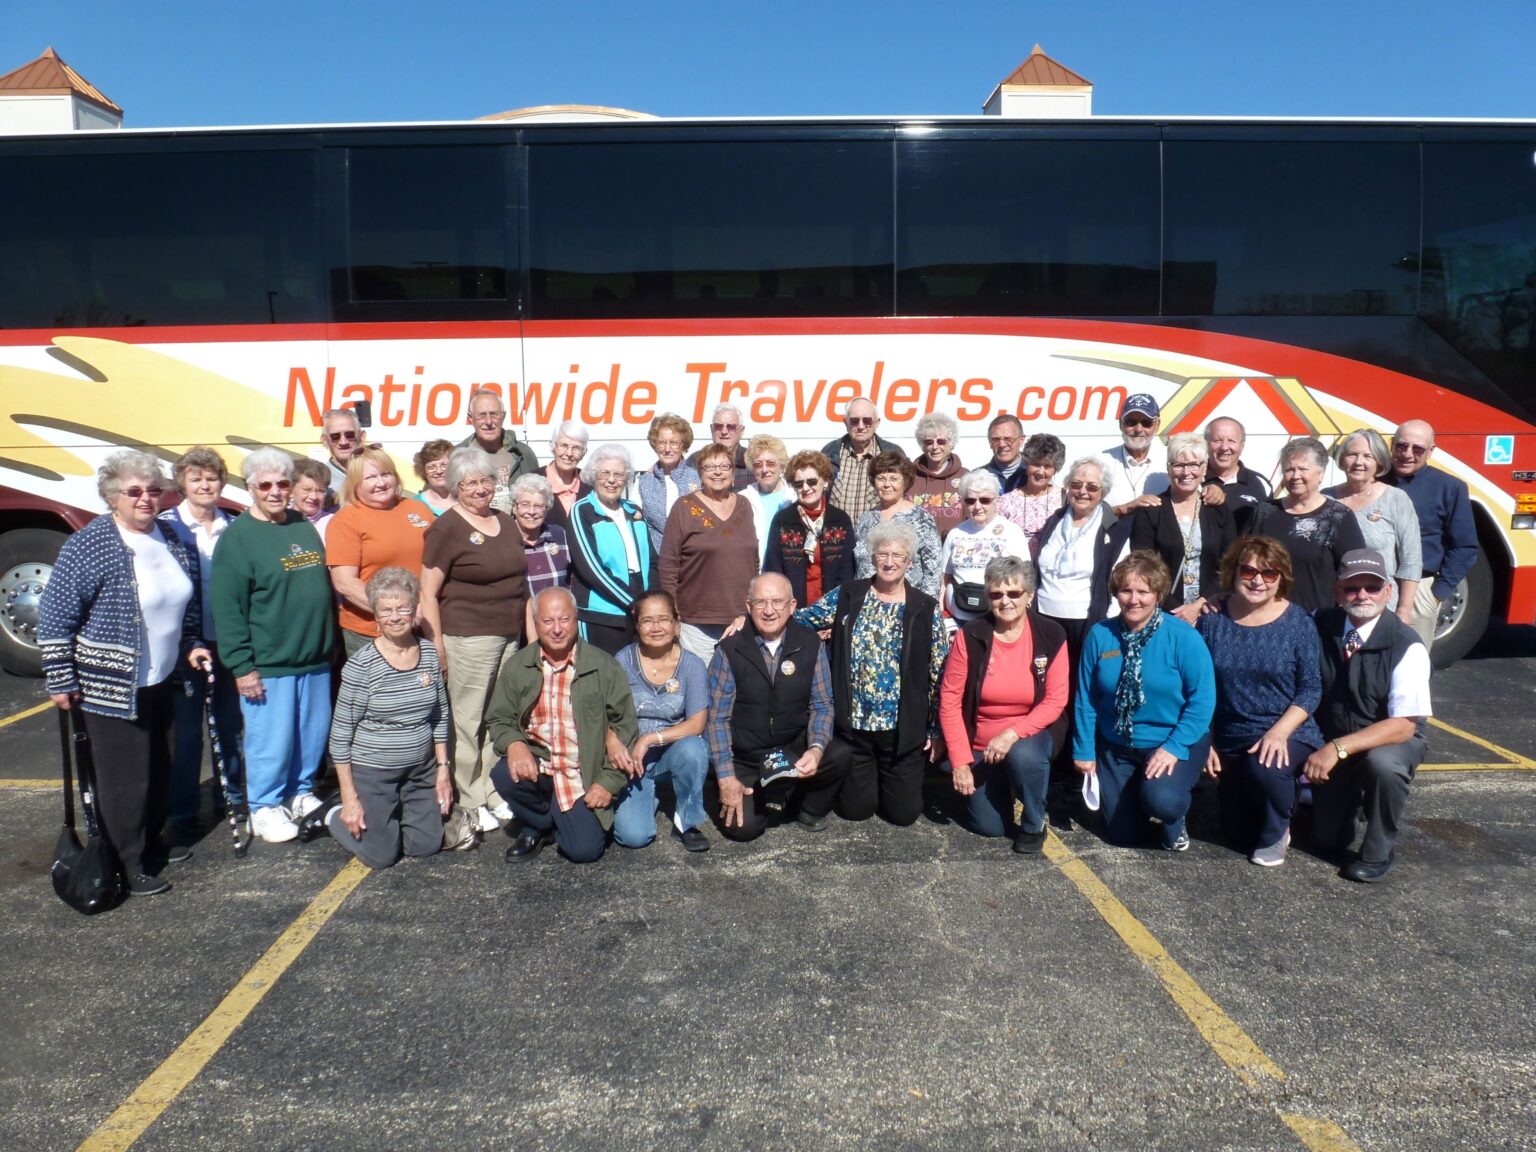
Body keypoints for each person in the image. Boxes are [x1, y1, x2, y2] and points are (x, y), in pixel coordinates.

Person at [40, 450, 210, 896]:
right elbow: (55, 616)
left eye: (154, 490)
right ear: (112, 496)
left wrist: (191, 644)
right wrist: (60, 677)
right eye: (134, 491)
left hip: (163, 678)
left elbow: (186, 603)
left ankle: (150, 844)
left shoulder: (169, 535)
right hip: (112, 684)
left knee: (160, 767)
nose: (145, 499)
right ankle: (126, 862)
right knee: (125, 779)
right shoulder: (91, 544)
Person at [210, 448, 335, 845]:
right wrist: (242, 666)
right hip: (270, 662)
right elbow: (228, 608)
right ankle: (264, 806)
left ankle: (299, 793)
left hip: (313, 657)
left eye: (283, 483)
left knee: (310, 735)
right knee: (271, 740)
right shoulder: (237, 538)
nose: (275, 491)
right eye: (265, 485)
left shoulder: (300, 524)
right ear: (250, 488)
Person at [798, 522, 948, 826]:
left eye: (898, 556)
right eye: (883, 554)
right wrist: (748, 619)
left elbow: (938, 673)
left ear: (909, 562)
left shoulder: (925, 608)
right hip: (855, 729)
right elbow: (803, 619)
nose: (889, 562)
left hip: (902, 732)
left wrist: (935, 729)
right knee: (855, 811)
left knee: (903, 815)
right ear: (873, 557)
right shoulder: (848, 595)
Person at [1072, 551, 1215, 851]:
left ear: (1158, 595)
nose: (1134, 600)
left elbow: (1202, 701)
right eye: (1126, 590)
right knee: (1122, 834)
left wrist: (1173, 747)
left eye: (1143, 592)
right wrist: (1084, 749)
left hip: (1170, 740)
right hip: (1117, 744)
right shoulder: (1100, 635)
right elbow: (1086, 698)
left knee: (1163, 801)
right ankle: (1139, 795)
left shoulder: (1183, 637)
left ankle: (1173, 815)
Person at [1303, 549, 1431, 883]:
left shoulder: (1407, 645)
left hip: (1388, 740)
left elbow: (1403, 726)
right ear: (1337, 592)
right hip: (1335, 737)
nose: (1362, 595)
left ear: (1388, 591)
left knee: (1383, 766)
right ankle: (1349, 804)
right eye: (1352, 588)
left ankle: (1378, 851)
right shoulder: (1318, 622)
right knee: (1326, 841)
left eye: (1372, 588)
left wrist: (1337, 748)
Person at [419, 447, 529, 833]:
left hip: (508, 636)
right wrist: (437, 645)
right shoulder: (446, 528)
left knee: (498, 715)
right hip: (468, 637)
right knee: (467, 720)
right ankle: (469, 798)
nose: (480, 489)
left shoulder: (505, 521)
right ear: (455, 487)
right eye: (469, 484)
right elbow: (428, 591)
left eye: (486, 481)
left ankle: (493, 788)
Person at [487, 587, 639, 864]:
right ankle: (538, 825)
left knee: (583, 851)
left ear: (576, 619)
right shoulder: (518, 666)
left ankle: (555, 818)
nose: (557, 629)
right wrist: (515, 744)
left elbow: (625, 728)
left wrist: (608, 782)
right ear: (536, 624)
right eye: (548, 621)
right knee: (504, 774)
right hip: (540, 765)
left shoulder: (604, 666)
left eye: (564, 619)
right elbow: (499, 718)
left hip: (581, 772)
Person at [1197, 538, 1324, 867]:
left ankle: (1278, 830)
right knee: (1237, 835)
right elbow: (1201, 686)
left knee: (1267, 768)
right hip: (1231, 734)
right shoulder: (1213, 620)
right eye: (1248, 571)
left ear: (1281, 578)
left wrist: (1279, 733)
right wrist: (1206, 739)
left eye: (1269, 573)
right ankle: (1272, 799)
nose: (1258, 580)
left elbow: (1311, 688)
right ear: (1234, 572)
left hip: (1286, 730)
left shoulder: (1298, 623)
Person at [937, 555, 1068, 854]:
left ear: (1029, 595)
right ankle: (999, 783)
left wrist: (1011, 734)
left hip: (1029, 736)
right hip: (981, 744)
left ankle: (1034, 822)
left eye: (1014, 593)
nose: (1005, 601)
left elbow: (1056, 699)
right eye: (996, 594)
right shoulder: (971, 635)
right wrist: (960, 761)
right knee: (990, 827)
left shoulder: (1051, 634)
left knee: (1025, 756)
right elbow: (950, 701)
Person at [325, 569, 452, 869]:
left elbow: (439, 714)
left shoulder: (429, 654)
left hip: (419, 770)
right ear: (376, 615)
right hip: (374, 771)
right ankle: (332, 815)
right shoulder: (361, 667)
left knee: (425, 845)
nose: (395, 617)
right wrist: (350, 798)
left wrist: (443, 770)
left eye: (402, 608)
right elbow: (340, 735)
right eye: (386, 610)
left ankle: (393, 813)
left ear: (414, 611)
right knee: (381, 856)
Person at [705, 573, 846, 841]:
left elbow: (822, 704)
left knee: (840, 754)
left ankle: (802, 806)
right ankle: (755, 794)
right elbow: (716, 719)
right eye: (760, 602)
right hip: (747, 757)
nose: (769, 610)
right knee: (743, 830)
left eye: (777, 602)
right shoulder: (729, 650)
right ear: (748, 607)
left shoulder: (811, 643)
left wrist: (816, 749)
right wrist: (726, 777)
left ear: (792, 606)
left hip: (792, 748)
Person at [158, 447, 242, 843]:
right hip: (185, 645)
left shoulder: (234, 525)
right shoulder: (165, 527)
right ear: (182, 484)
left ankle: (233, 796)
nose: (205, 485)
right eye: (196, 479)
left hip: (228, 640)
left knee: (231, 724)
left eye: (211, 478)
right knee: (187, 733)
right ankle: (182, 811)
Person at [611, 592, 712, 853]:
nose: (656, 627)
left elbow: (697, 723)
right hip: (634, 762)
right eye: (647, 620)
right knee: (633, 837)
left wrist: (650, 739)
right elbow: (607, 715)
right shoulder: (622, 660)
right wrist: (615, 744)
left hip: (672, 752)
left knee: (695, 748)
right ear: (637, 625)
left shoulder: (692, 665)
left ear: (676, 625)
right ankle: (648, 795)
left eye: (664, 619)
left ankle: (686, 822)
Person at [326, 446, 434, 657]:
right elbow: (345, 583)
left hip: (422, 623)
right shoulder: (346, 520)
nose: (381, 483)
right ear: (355, 483)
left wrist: (424, 608)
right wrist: (399, 614)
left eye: (386, 474)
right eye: (371, 477)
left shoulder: (418, 509)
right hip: (370, 632)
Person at [661, 442, 760, 663]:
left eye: (724, 466)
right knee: (700, 680)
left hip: (741, 618)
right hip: (697, 621)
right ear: (700, 473)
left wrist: (752, 606)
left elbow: (753, 559)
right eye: (709, 467)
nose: (717, 472)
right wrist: (672, 614)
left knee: (739, 681)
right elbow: (668, 565)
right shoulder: (684, 507)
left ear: (733, 473)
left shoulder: (744, 505)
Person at [1036, 455, 1134, 675]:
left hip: (1085, 621)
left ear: (1103, 492)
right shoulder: (1054, 521)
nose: (1082, 492)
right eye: (1076, 484)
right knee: (1046, 680)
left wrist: (1110, 624)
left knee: (1081, 679)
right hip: (1044, 617)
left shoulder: (1114, 530)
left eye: (1091, 487)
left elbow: (1119, 580)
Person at [1246, 438, 1368, 613]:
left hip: (1317, 618)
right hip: (1263, 615)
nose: (1295, 476)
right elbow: (1242, 563)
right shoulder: (1264, 512)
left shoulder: (1338, 516)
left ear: (1321, 474)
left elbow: (1356, 573)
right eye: (1289, 469)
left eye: (1303, 469)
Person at [1388, 419, 1478, 652]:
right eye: (1401, 446)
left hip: (1420, 590)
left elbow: (1465, 547)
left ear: (1431, 451)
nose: (1407, 454)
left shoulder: (1450, 488)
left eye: (1417, 449)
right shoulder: (1373, 481)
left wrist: (1436, 594)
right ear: (1392, 444)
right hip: (1373, 587)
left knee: (1411, 664)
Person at [1131, 432, 1237, 624]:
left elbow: (1229, 563)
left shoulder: (1218, 510)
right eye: (1179, 465)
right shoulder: (1151, 511)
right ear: (1168, 468)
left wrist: (1200, 604)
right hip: (1164, 614)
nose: (1186, 472)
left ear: (1204, 468)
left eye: (1194, 465)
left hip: (1211, 611)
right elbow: (1143, 566)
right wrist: (1176, 610)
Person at [1324, 428, 1421, 620]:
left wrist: (1404, 610)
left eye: (1367, 456)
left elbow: (1411, 560)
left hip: (1379, 607)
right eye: (1352, 454)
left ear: (1379, 461)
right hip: (1332, 606)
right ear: (1342, 459)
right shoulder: (1325, 498)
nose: (1358, 462)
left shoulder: (1396, 499)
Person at [567, 444, 655, 655]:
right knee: (603, 673)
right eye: (605, 473)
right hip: (602, 613)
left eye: (618, 474)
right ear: (594, 476)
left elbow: (653, 561)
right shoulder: (582, 511)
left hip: (639, 609)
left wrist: (651, 601)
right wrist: (633, 603)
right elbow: (591, 569)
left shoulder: (633, 510)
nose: (612, 480)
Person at [938, 470, 1031, 629]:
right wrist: (941, 614)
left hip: (997, 620)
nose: (977, 506)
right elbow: (944, 580)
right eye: (970, 501)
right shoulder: (955, 533)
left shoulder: (1012, 532)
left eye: (985, 500)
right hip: (957, 618)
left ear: (997, 500)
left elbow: (1026, 579)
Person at [763, 451, 855, 608]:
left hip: (832, 609)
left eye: (812, 481)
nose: (805, 488)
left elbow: (847, 572)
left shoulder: (840, 520)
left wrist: (835, 610)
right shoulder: (783, 520)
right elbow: (774, 569)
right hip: (792, 610)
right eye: (799, 484)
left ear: (825, 482)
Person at [852, 451, 943, 598]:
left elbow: (933, 569)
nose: (887, 484)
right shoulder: (865, 519)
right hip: (866, 601)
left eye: (894, 479)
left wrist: (925, 605)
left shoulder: (921, 518)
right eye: (881, 478)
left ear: (905, 481)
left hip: (907, 602)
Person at [510, 473, 572, 642]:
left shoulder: (558, 534)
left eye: (539, 506)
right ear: (514, 507)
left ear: (547, 509)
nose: (531, 512)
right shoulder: (504, 538)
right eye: (525, 504)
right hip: (517, 630)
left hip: (557, 629)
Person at [459, 386, 539, 514]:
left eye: (494, 414)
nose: (488, 421)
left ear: (503, 416)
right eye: (482, 415)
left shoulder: (523, 453)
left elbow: (537, 498)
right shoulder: (458, 456)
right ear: (470, 418)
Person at [822, 397, 904, 521]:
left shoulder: (893, 454)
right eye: (854, 421)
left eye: (867, 421)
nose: (861, 426)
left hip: (878, 532)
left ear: (877, 423)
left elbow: (902, 500)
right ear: (845, 423)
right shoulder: (830, 453)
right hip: (838, 532)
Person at [631, 412, 701, 554]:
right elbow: (634, 520)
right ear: (655, 445)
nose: (667, 449)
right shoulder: (643, 480)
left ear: (683, 446)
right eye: (662, 443)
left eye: (674, 443)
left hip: (693, 556)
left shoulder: (698, 478)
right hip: (657, 557)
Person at [997, 432, 1066, 554]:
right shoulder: (1006, 502)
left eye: (1047, 466)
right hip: (1015, 564)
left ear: (1055, 469)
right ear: (1027, 464)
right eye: (1036, 464)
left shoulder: (1065, 498)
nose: (1040, 472)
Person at [1104, 393, 1169, 517]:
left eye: (1146, 423)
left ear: (1157, 425)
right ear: (1121, 424)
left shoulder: (1172, 460)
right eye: (1131, 422)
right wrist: (1124, 508)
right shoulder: (1100, 462)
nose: (1138, 429)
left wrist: (1209, 485)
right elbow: (1085, 513)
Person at [909, 411, 966, 540]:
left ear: (951, 443)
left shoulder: (965, 477)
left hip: (954, 547)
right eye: (929, 442)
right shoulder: (909, 476)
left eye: (941, 441)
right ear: (922, 445)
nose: (935, 447)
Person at [739, 434, 793, 565]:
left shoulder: (795, 497)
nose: (764, 469)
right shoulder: (742, 499)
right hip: (754, 570)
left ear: (781, 465)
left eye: (770, 463)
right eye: (758, 464)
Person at [1205, 417, 1271, 517]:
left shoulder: (1260, 483)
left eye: (1231, 441)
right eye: (1217, 440)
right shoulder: (1192, 480)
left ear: (1242, 447)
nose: (1224, 447)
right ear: (1206, 444)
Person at [687, 403, 752, 490]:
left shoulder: (752, 461)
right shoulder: (695, 460)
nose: (724, 432)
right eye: (718, 426)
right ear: (712, 429)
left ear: (741, 431)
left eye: (731, 427)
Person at [544, 419, 592, 525]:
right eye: (563, 445)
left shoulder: (590, 485)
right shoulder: (533, 480)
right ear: (552, 447)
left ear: (584, 452)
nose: (569, 453)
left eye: (576, 448)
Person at [318, 407, 366, 501]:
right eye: (335, 436)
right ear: (325, 440)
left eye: (350, 435)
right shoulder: (318, 480)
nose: (343, 442)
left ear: (361, 436)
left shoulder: (378, 474)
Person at [290, 459, 335, 544]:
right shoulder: (279, 520)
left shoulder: (334, 523)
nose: (314, 497)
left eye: (320, 491)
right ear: (291, 490)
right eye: (307, 490)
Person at [981, 414, 1028, 495]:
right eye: (996, 439)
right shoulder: (979, 476)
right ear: (990, 442)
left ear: (1021, 441)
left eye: (1008, 439)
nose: (1002, 444)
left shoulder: (1035, 474)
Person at [410, 439, 456, 517]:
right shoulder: (414, 504)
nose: (439, 471)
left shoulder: (468, 499)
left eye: (444, 465)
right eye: (431, 467)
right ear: (423, 471)